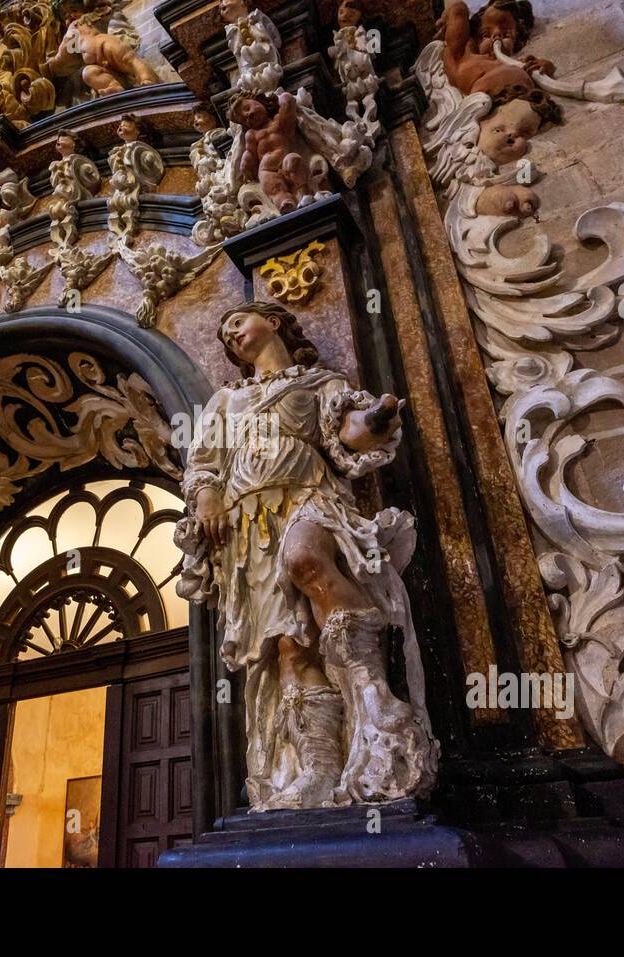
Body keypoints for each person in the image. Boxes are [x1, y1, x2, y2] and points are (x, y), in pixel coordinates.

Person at [176, 301, 438, 810]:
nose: (232, 335)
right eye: (226, 335)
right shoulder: (226, 400)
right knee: (291, 649)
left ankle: (371, 691)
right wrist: (206, 492)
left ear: (273, 323)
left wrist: (378, 418)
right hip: (246, 526)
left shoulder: (321, 382)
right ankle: (318, 769)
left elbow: (348, 434)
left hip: (307, 498)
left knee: (305, 560)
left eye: (238, 323)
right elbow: (204, 460)